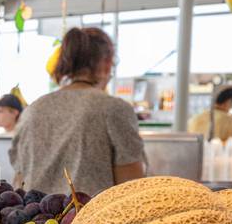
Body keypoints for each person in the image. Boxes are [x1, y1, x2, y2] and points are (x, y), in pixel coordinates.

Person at [9, 27, 144, 195]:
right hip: (90, 219)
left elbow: (19, 180)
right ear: (107, 63)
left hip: (35, 218)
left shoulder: (32, 110)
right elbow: (131, 190)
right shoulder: (114, 109)